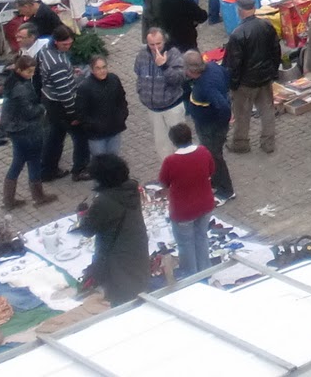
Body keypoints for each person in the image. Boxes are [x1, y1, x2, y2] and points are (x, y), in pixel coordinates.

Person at [73, 153, 150, 305]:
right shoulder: (132, 188)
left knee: (122, 299)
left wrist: (83, 215)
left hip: (117, 258)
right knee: (139, 288)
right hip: (137, 248)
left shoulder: (104, 201)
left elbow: (87, 230)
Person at [223, 0, 281, 154]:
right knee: (267, 110)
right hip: (264, 77)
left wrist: (233, 83)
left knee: (242, 113)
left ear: (239, 11)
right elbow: (276, 50)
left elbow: (234, 63)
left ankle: (241, 143)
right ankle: (268, 142)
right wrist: (272, 71)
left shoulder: (237, 34)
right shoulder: (266, 26)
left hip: (245, 82)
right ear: (254, 9)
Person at [159, 121, 217, 277]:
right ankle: (206, 271)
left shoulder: (170, 162)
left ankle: (192, 277)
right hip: (205, 204)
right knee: (201, 237)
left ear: (173, 141)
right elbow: (211, 170)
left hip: (183, 210)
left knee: (186, 244)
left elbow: (164, 182)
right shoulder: (204, 152)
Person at [0, 54, 57, 209]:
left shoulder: (12, 83)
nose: (31, 75)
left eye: (33, 71)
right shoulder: (21, 89)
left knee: (19, 162)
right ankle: (38, 196)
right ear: (19, 70)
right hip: (27, 130)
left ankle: (9, 199)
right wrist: (42, 108)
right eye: (29, 72)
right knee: (32, 161)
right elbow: (29, 112)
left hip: (16, 130)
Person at [182, 50, 234, 203]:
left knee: (214, 156)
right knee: (210, 154)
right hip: (208, 123)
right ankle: (214, 180)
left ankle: (226, 191)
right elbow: (227, 76)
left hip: (211, 127)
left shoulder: (206, 86)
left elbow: (223, 108)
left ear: (190, 70)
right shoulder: (213, 67)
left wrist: (220, 124)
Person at [37, 28, 89, 182]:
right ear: (56, 42)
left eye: (70, 43)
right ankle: (80, 169)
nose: (68, 47)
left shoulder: (46, 49)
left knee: (54, 136)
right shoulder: (57, 64)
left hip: (49, 99)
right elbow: (65, 93)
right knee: (80, 135)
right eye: (65, 44)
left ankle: (47, 170)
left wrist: (70, 70)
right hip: (61, 104)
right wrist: (74, 114)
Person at [134, 29, 189, 163]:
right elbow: (138, 72)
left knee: (180, 142)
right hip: (153, 108)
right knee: (161, 144)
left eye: (158, 43)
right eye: (151, 44)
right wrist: (142, 91)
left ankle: (184, 169)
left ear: (164, 41)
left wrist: (164, 66)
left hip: (172, 106)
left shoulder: (174, 54)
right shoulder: (142, 54)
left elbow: (179, 78)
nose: (155, 47)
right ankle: (168, 171)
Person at [74, 54, 129, 158]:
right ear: (91, 69)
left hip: (114, 130)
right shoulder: (85, 87)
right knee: (100, 163)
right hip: (97, 135)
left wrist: (122, 116)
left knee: (113, 160)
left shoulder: (114, 79)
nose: (102, 71)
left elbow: (122, 100)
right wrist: (94, 126)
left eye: (104, 67)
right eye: (98, 68)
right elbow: (81, 113)